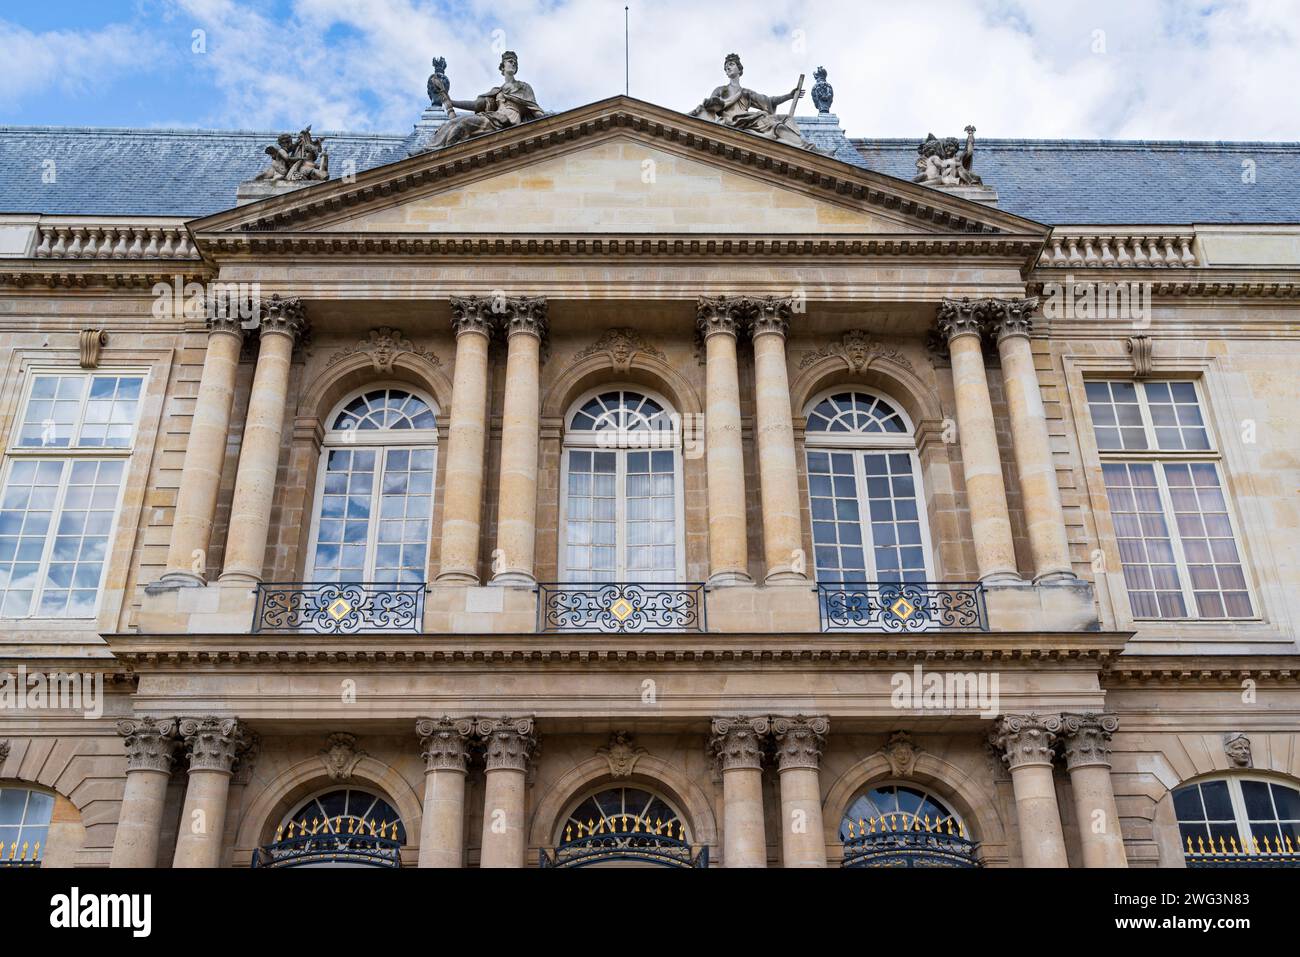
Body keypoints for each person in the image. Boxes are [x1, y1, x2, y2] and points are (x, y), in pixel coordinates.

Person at [424, 50, 546, 151]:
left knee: (462, 125)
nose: (513, 64)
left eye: (515, 63)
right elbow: (477, 105)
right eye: (510, 61)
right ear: (503, 68)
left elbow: (536, 110)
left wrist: (547, 123)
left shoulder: (524, 87)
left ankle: (441, 155)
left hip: (506, 120)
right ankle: (429, 150)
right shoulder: (497, 91)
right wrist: (452, 102)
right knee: (451, 123)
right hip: (493, 117)